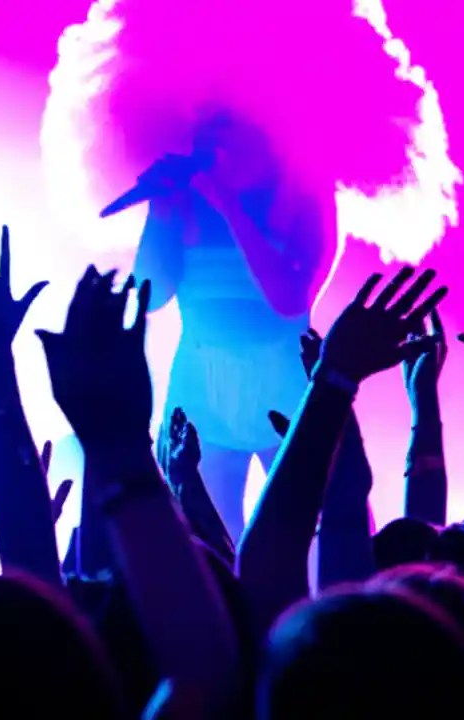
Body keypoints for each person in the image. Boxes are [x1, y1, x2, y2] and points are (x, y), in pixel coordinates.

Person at [133, 109, 338, 538]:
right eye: (208, 142)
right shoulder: (188, 200)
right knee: (205, 541)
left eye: (232, 140)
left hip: (287, 385)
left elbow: (287, 300)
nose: (218, 155)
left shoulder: (305, 197)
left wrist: (229, 206)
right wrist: (160, 209)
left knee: (321, 528)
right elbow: (150, 294)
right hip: (201, 387)